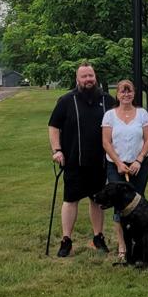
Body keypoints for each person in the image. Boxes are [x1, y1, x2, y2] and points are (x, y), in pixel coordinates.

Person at [48, 63, 115, 258]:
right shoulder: (66, 100)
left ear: (96, 77)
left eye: (91, 76)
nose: (88, 80)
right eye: (84, 76)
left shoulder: (107, 100)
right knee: (70, 200)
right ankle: (66, 240)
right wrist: (57, 150)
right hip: (73, 161)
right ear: (77, 79)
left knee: (97, 200)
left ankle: (98, 237)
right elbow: (53, 126)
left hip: (100, 161)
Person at [102, 79, 148, 264]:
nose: (126, 95)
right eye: (122, 92)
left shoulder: (142, 114)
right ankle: (122, 246)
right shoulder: (109, 116)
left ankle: (139, 244)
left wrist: (139, 160)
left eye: (129, 91)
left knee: (138, 205)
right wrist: (118, 163)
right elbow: (106, 142)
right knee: (119, 207)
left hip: (138, 166)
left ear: (134, 93)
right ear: (117, 94)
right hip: (116, 167)